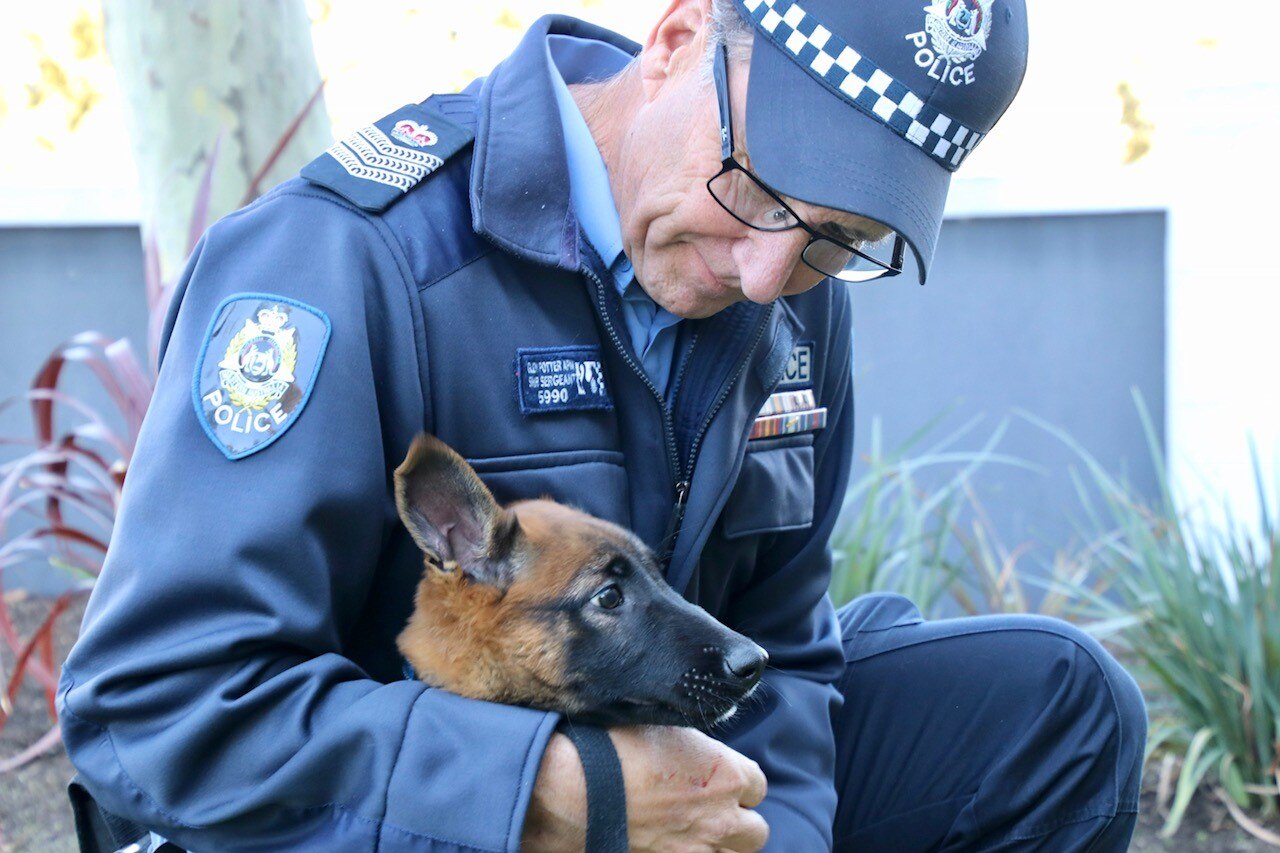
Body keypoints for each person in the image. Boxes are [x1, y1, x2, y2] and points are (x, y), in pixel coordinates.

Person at [57, 0, 1147, 850]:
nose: (768, 273)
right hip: (404, 817)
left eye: (839, 236)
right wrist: (542, 792)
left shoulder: (790, 292)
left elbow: (786, 651)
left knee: (1056, 705)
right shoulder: (348, 261)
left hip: (671, 766)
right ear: (675, 41)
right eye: (763, 187)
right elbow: (158, 709)